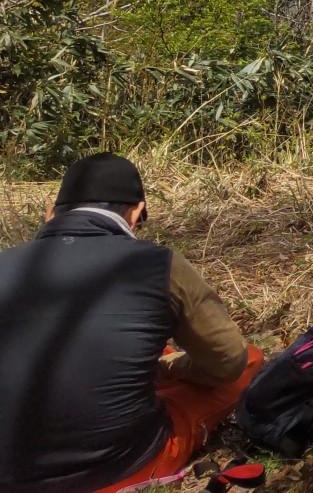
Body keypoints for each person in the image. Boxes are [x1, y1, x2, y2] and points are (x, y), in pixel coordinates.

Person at [0, 152, 264, 493]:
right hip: (115, 468)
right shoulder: (160, 265)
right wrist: (169, 369)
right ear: (136, 212)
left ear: (50, 213)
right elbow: (226, 361)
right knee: (249, 360)